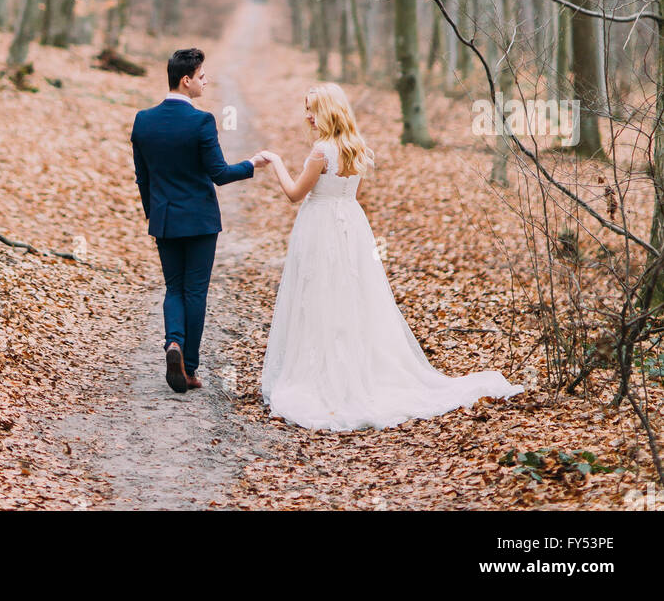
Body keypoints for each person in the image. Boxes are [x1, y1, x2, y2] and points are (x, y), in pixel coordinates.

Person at [258, 82, 525, 431]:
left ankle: (325, 374)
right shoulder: (356, 148)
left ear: (328, 111)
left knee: (320, 295)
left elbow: (295, 193)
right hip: (351, 225)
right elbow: (350, 194)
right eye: (306, 108)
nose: (307, 115)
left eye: (313, 108)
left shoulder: (321, 152)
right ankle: (349, 367)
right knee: (350, 297)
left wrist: (275, 161)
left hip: (321, 227)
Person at [131, 47, 267, 392]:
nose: (206, 81)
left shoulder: (143, 120)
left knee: (174, 288)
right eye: (202, 76)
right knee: (195, 292)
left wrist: (154, 215)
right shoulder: (201, 121)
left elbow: (143, 179)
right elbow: (219, 174)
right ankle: (189, 369)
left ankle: (172, 343)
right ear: (186, 80)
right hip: (201, 222)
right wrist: (252, 164)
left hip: (165, 220)